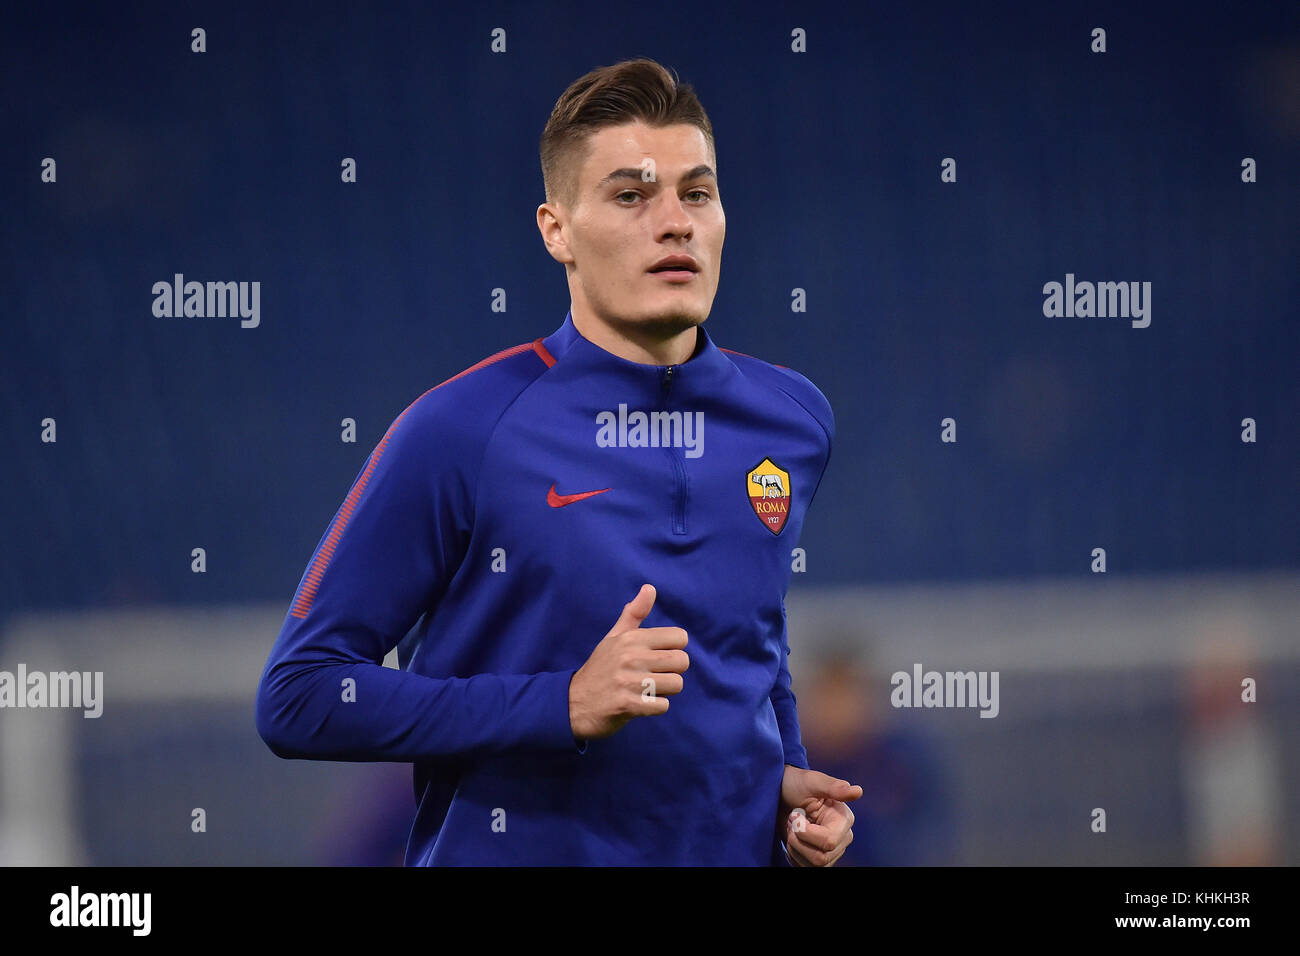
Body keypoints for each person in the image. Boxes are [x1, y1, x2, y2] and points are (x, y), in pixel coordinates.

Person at [255, 57, 860, 865]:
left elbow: (753, 639)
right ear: (557, 230)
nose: (674, 222)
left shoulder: (790, 419)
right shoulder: (460, 430)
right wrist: (559, 704)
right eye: (630, 196)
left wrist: (781, 773)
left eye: (697, 193)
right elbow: (299, 696)